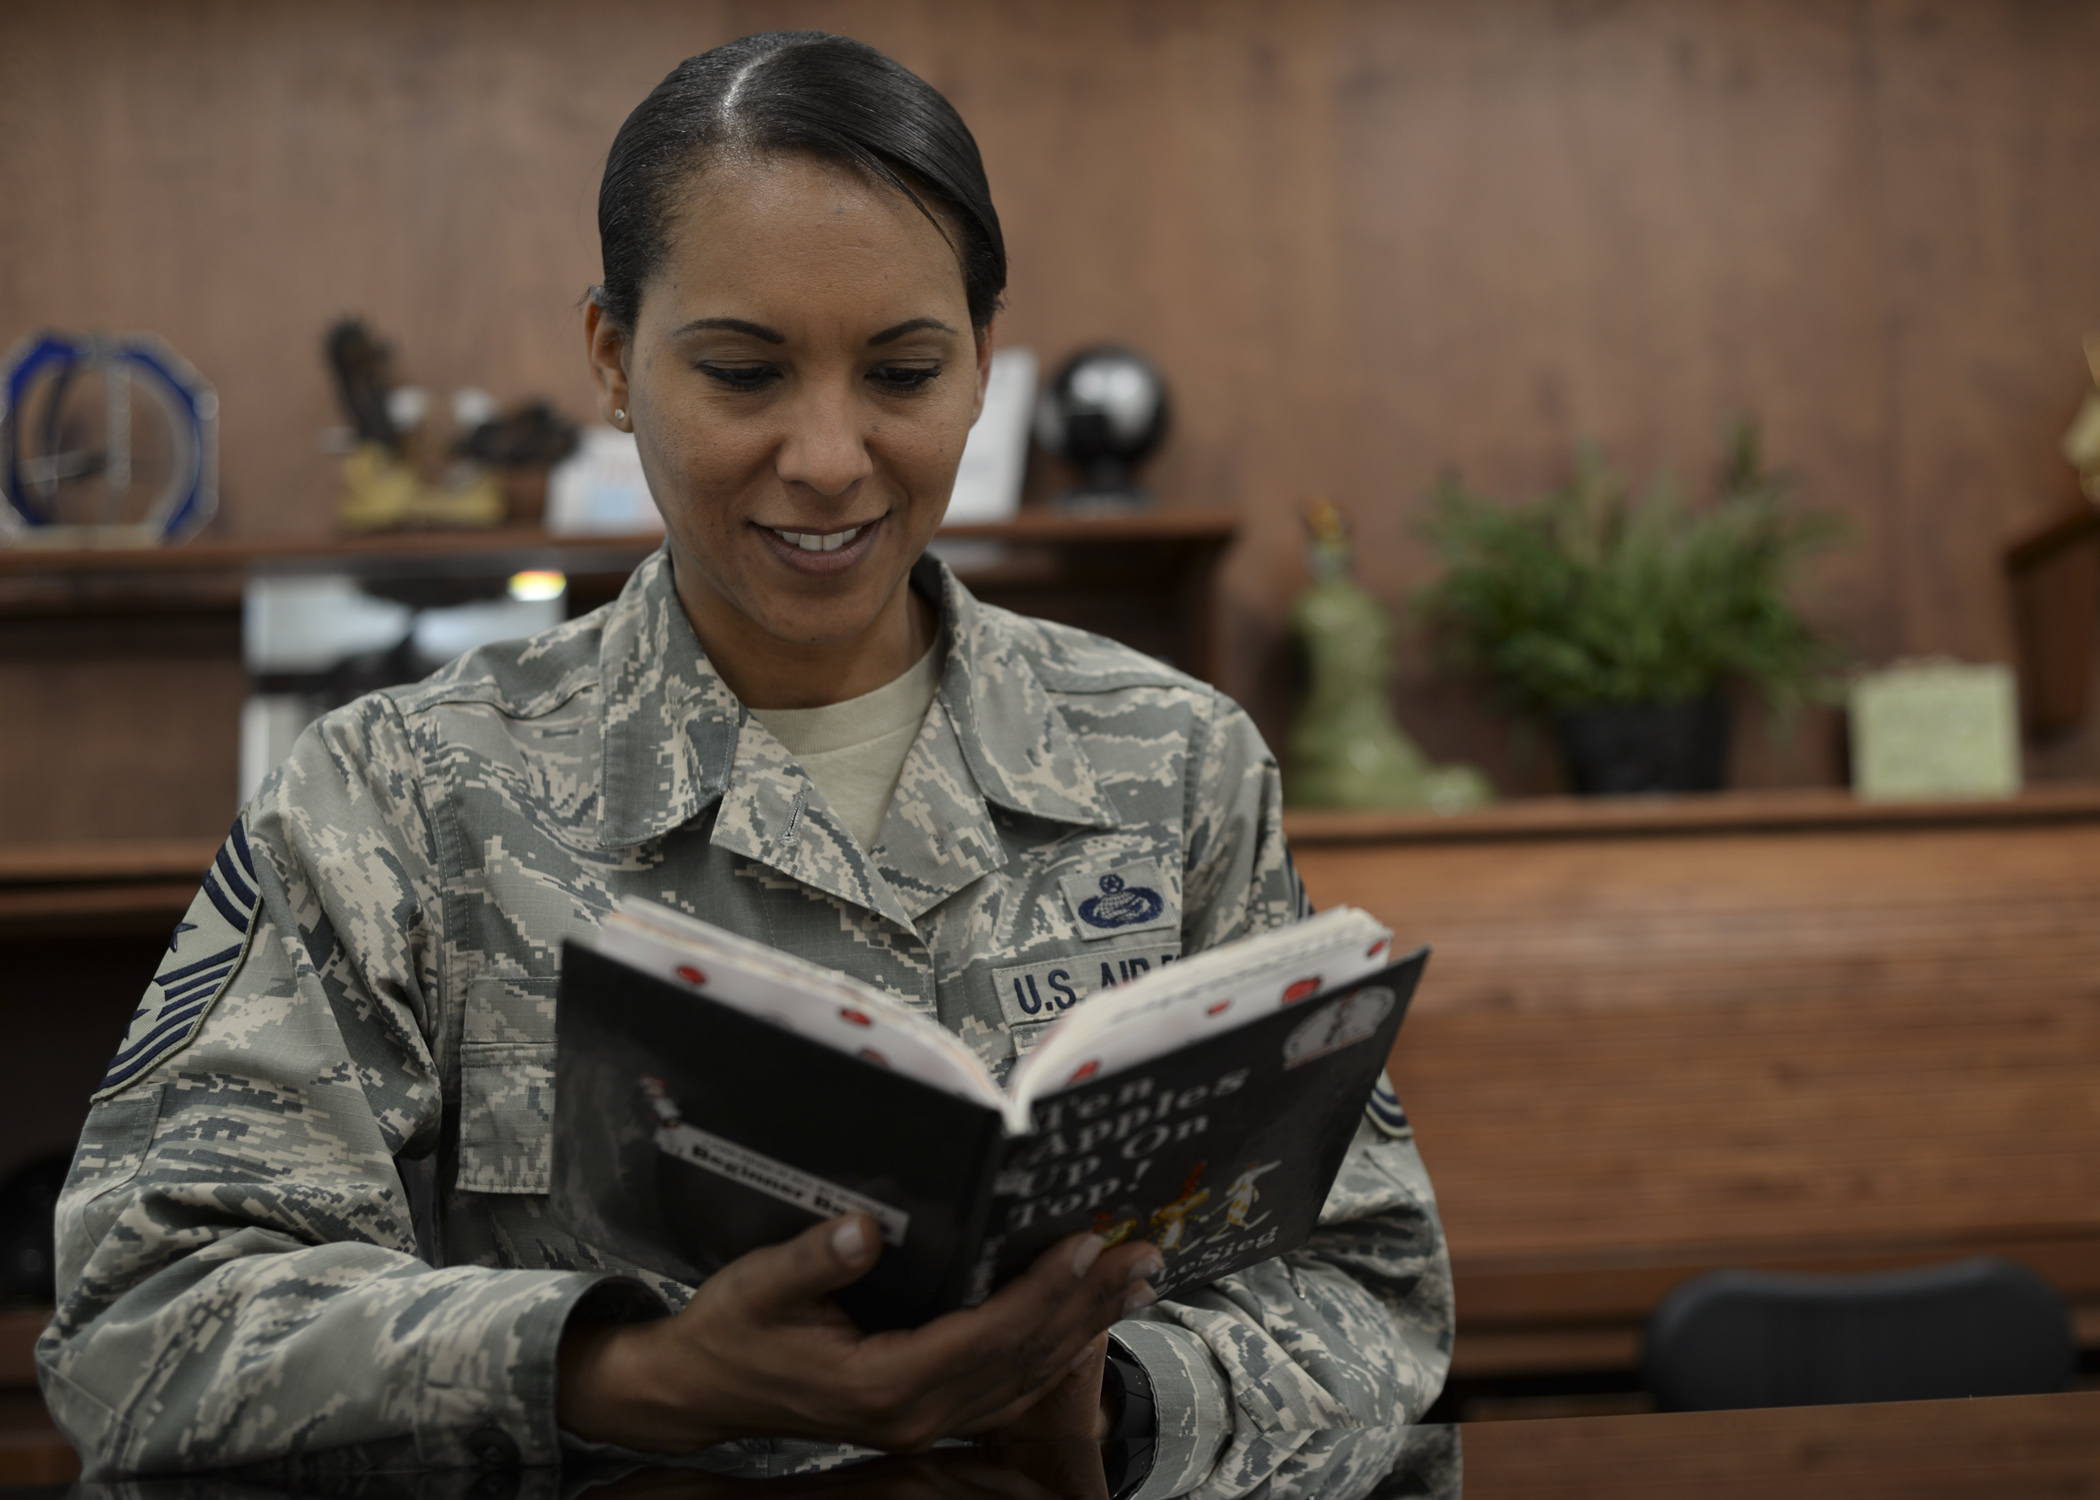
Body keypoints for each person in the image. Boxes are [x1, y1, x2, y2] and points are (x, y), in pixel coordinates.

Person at [39, 31, 1453, 1491]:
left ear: (982, 365)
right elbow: (144, 1321)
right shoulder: (400, 794)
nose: (830, 456)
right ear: (612, 358)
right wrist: (623, 1373)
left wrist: (1106, 1402)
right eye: (743, 372)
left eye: (904, 370)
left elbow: (1370, 1296)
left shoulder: (1173, 766)